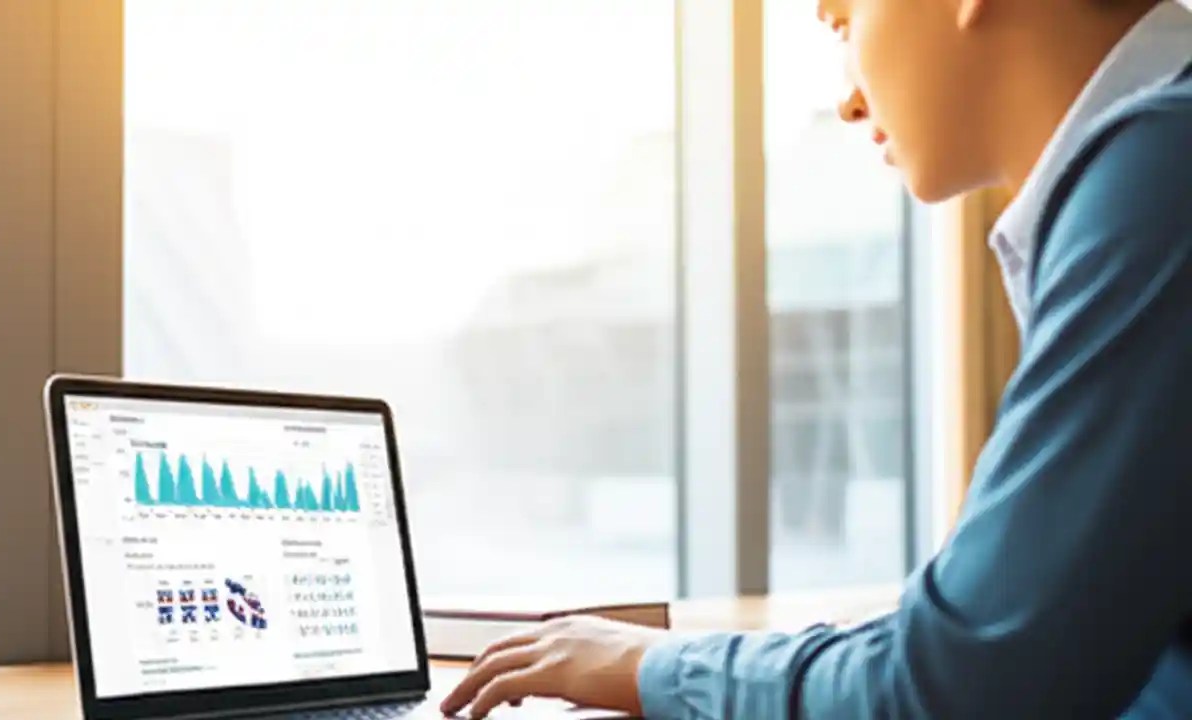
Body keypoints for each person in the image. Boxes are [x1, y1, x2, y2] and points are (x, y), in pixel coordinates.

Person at [439, 0, 1192, 717]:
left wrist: (649, 666)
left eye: (842, 20)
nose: (848, 101)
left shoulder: (1161, 183)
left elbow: (956, 684)